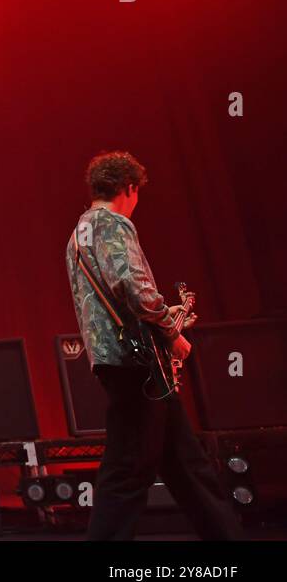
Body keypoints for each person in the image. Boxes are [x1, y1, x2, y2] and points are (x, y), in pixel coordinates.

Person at [65, 151, 241, 540]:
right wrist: (171, 331)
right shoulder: (112, 224)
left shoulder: (78, 235)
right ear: (128, 188)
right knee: (126, 473)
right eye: (137, 192)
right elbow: (133, 287)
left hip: (117, 361)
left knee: (186, 465)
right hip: (136, 364)